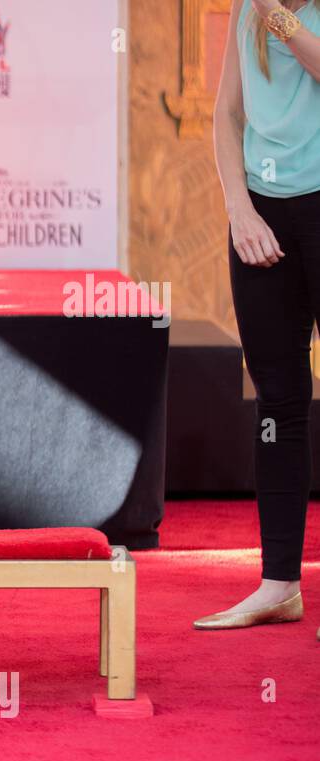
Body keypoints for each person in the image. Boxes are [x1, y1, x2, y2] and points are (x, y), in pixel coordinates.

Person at [196, 0, 320, 630]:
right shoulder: (248, 11)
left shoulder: (269, 12)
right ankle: (279, 584)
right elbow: (226, 114)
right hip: (261, 213)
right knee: (278, 400)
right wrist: (239, 209)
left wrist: (278, 17)